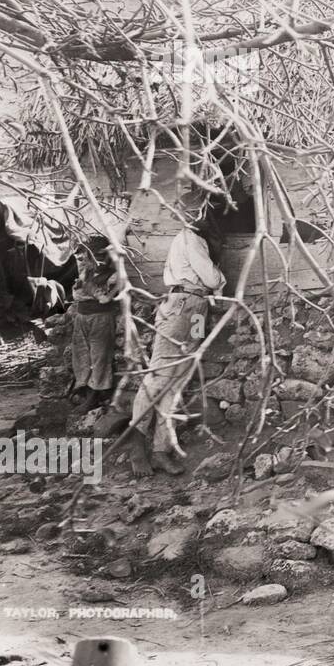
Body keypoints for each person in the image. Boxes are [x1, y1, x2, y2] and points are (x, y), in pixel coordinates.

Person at [120, 204, 225, 476]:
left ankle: (160, 451)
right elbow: (213, 279)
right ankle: (136, 443)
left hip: (198, 309)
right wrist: (220, 274)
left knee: (178, 379)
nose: (203, 219)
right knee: (159, 376)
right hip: (183, 306)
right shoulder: (191, 238)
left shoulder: (197, 239)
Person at [68, 235, 119, 409]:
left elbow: (104, 299)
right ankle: (83, 386)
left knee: (99, 356)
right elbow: (77, 294)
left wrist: (106, 295)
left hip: (100, 318)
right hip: (82, 316)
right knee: (81, 354)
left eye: (101, 255)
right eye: (93, 255)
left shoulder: (113, 275)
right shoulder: (86, 271)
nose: (97, 259)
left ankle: (96, 393)